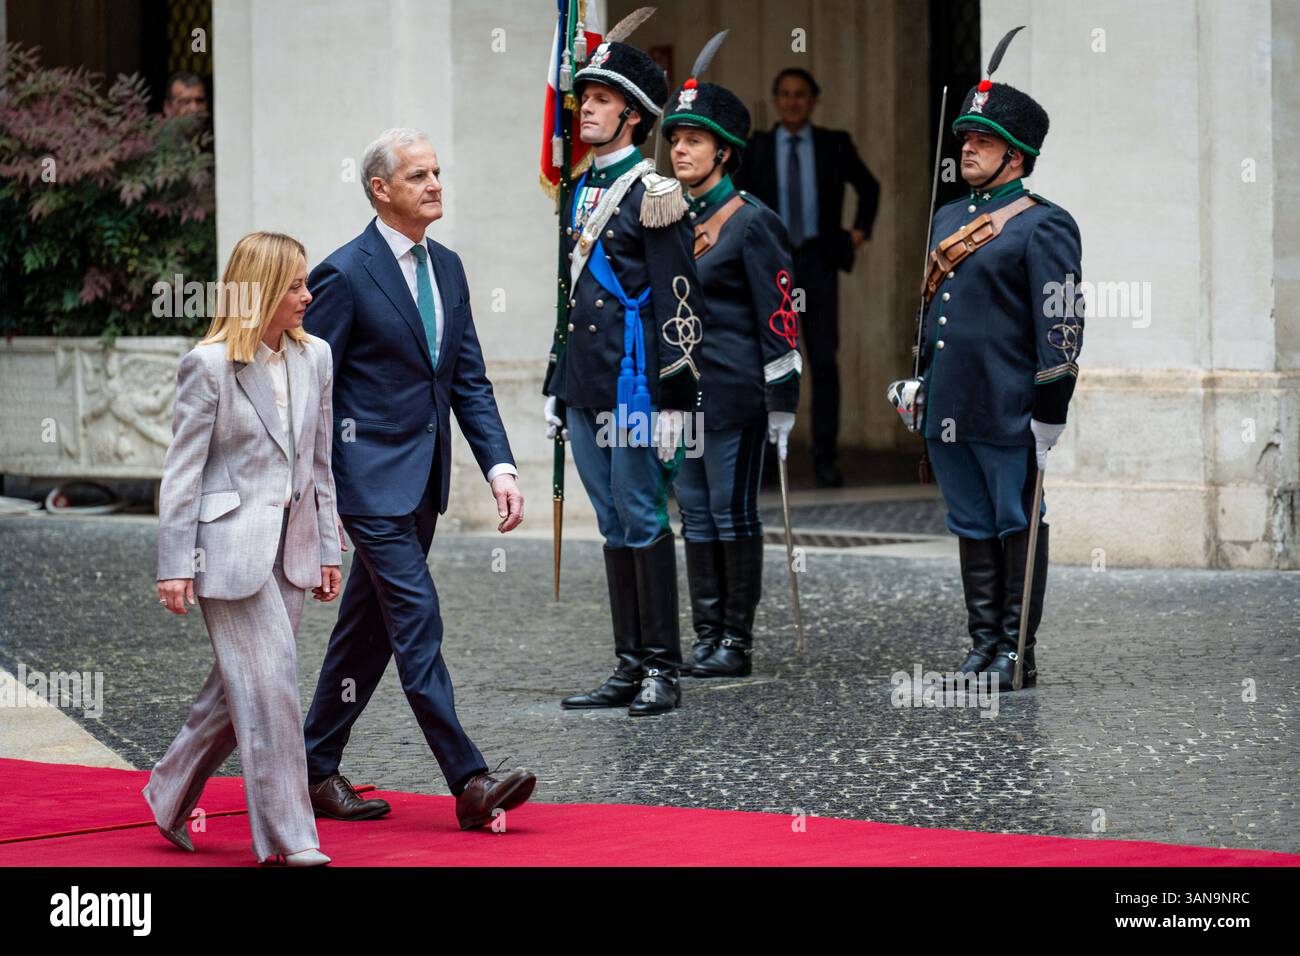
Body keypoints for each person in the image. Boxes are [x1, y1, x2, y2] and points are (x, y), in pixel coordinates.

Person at [301, 128, 536, 827]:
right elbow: (315, 392)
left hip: (424, 482)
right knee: (417, 617)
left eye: (437, 173)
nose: (435, 185)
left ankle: (313, 767)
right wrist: (319, 495)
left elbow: (467, 379)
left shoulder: (450, 269)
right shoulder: (344, 273)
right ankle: (469, 780)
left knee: (367, 631)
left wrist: (499, 465)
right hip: (368, 483)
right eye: (418, 176)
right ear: (380, 189)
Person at [146, 231, 340, 867]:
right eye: (294, 285)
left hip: (293, 549)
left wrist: (329, 548)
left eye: (306, 283)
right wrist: (175, 564)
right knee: (273, 686)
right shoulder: (208, 365)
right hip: (226, 549)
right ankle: (290, 838)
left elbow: (319, 463)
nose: (307, 296)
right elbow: (183, 471)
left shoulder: (317, 357)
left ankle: (169, 792)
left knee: (239, 691)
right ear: (259, 290)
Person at [544, 29, 706, 716]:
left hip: (636, 385)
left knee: (641, 516)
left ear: (632, 115)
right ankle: (627, 664)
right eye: (584, 97)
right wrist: (555, 382)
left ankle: (662, 669)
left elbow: (680, 301)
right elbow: (568, 295)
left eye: (602, 99)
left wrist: (676, 399)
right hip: (585, 382)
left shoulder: (656, 192)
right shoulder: (579, 187)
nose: (585, 108)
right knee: (611, 521)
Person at [916, 26, 1083, 690]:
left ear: (1015, 156)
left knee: (1016, 521)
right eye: (965, 137)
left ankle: (1017, 650)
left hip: (1008, 402)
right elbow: (935, 312)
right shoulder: (946, 217)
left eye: (982, 141)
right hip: (950, 400)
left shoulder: (1045, 223)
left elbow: (1061, 321)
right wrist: (920, 381)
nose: (967, 147)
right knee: (971, 522)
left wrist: (1050, 404)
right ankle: (983, 644)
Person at [661, 35, 801, 678]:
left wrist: (782, 399)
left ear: (723, 151)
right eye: (675, 138)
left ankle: (735, 642)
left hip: (736, 391)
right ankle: (707, 633)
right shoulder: (667, 218)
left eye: (694, 140)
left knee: (730, 510)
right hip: (680, 393)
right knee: (693, 512)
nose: (679, 150)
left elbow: (780, 314)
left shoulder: (750, 221)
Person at [735, 68, 879, 487]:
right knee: (768, 360)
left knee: (824, 361)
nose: (792, 101)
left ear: (814, 100)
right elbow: (736, 199)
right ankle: (764, 461)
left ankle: (825, 459)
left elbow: (869, 187)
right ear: (775, 100)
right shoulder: (756, 148)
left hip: (818, 261)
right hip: (771, 265)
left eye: (800, 94)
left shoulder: (833, 143)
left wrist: (858, 233)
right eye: (784, 94)